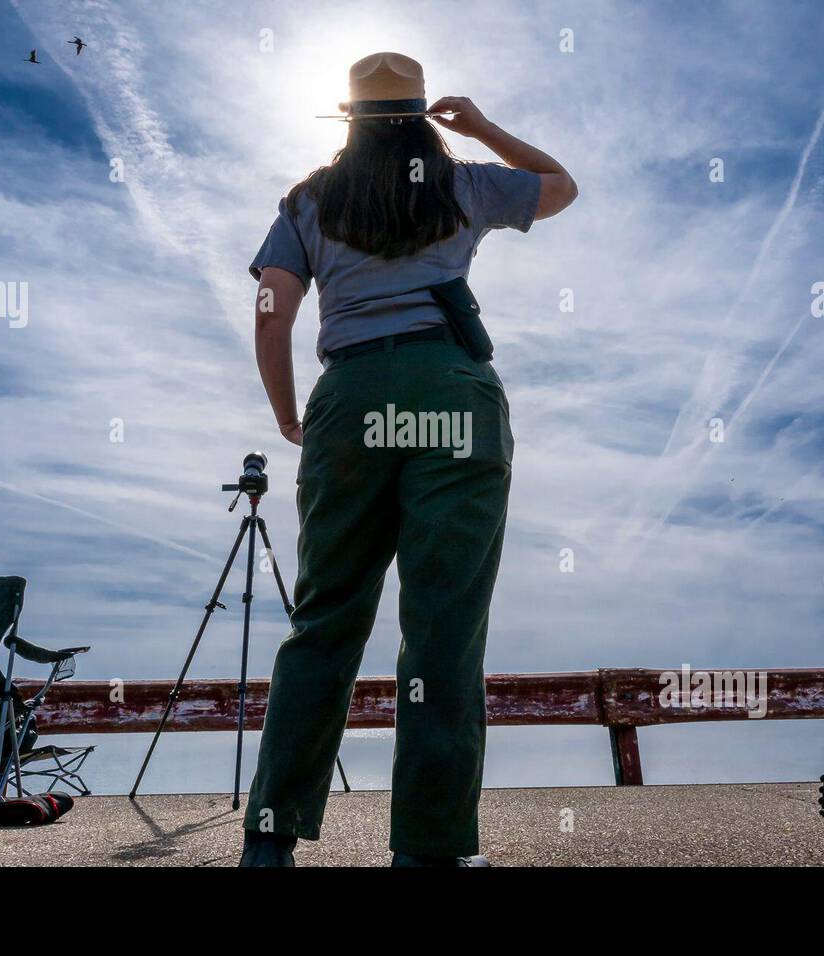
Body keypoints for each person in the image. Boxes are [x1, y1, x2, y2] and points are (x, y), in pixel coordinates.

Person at [241, 51, 577, 867]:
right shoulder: (463, 183)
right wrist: (484, 126)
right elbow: (561, 185)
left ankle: (270, 842)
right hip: (452, 393)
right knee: (444, 631)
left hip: (350, 398)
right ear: (424, 115)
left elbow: (270, 316)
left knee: (323, 620)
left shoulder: (308, 198)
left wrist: (290, 414)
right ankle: (429, 852)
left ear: (349, 120)